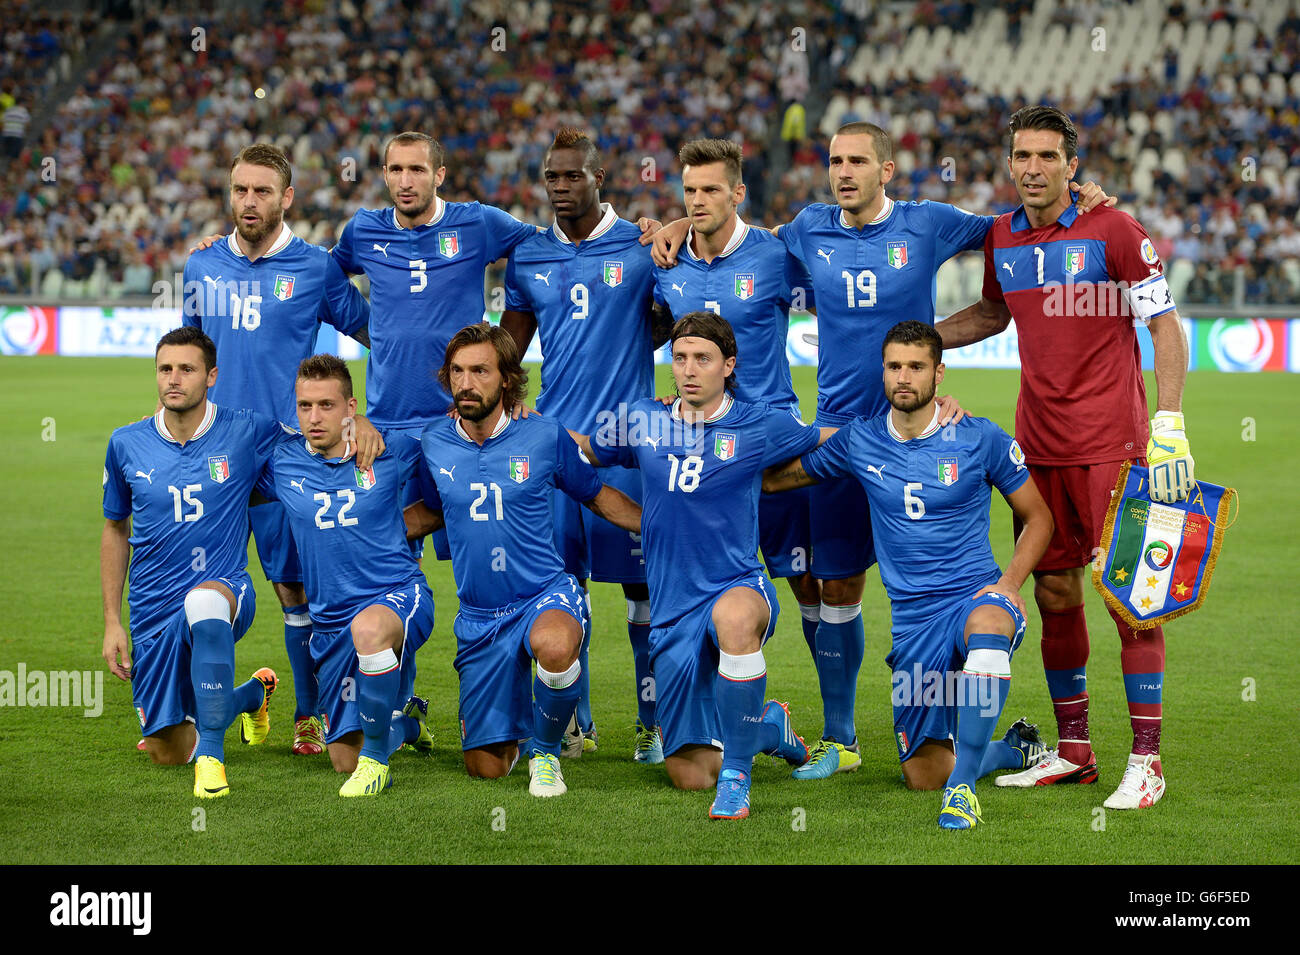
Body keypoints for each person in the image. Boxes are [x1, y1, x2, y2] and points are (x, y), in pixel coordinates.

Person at [653, 123, 1111, 782]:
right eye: (835, 160)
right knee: (833, 583)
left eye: (858, 161)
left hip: (916, 426)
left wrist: (1076, 200)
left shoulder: (931, 223)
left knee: (931, 579)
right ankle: (842, 737)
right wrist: (677, 219)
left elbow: (1014, 226)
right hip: (841, 433)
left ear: (887, 170)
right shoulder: (808, 227)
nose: (844, 171)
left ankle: (965, 695)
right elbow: (729, 227)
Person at [936, 105, 1192, 810]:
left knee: (1130, 602)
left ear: (1071, 165)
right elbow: (992, 314)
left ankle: (1148, 760)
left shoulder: (1112, 228)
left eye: (1049, 156)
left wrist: (1168, 420)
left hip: (1111, 443)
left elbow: (1164, 325)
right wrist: (924, 341)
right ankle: (1074, 750)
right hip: (1037, 448)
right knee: (1053, 594)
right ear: (1010, 162)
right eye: (1023, 155)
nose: (1035, 168)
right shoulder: (999, 238)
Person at [763, 321, 1054, 828]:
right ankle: (1012, 750)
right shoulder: (861, 441)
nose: (904, 377)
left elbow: (1039, 517)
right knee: (923, 773)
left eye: (916, 367)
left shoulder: (980, 437)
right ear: (883, 372)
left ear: (938, 373)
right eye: (895, 366)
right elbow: (781, 479)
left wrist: (1008, 585)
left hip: (976, 597)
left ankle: (962, 793)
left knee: (987, 635)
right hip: (915, 623)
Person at [571, 313, 824, 820]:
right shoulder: (643, 418)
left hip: (736, 583)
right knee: (688, 776)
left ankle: (737, 780)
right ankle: (769, 726)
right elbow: (586, 451)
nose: (689, 369)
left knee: (733, 623)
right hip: (672, 605)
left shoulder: (760, 421)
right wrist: (522, 427)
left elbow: (831, 441)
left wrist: (776, 483)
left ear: (728, 365)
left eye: (703, 359)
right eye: (680, 357)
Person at [183, 143, 378, 757]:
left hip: (287, 455)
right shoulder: (201, 267)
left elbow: (376, 332)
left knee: (296, 590)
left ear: (286, 197)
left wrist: (366, 412)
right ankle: (194, 708)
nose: (249, 201)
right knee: (194, 582)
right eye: (240, 189)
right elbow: (188, 353)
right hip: (211, 453)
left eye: (262, 191)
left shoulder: (316, 267)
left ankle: (307, 713)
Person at [404, 324, 643, 797]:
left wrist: (661, 526)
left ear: (507, 379)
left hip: (543, 594)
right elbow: (430, 512)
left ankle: (548, 753)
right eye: (457, 371)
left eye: (480, 371)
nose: (465, 383)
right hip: (478, 616)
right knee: (484, 768)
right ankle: (528, 726)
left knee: (555, 646)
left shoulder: (544, 435)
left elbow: (596, 496)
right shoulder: (433, 442)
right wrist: (360, 535)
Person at [500, 127, 671, 763]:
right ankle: (576, 724)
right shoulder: (528, 256)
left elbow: (673, 326)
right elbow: (508, 347)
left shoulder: (642, 245)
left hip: (627, 445)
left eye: (574, 176)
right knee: (560, 585)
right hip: (553, 447)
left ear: (601, 179)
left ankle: (652, 725)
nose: (562, 187)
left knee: (644, 590)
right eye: (552, 177)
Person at [649, 137, 823, 683]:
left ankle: (840, 733)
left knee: (809, 581)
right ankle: (688, 717)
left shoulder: (775, 256)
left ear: (738, 193)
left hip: (770, 439)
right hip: (698, 446)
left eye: (711, 190)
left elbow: (841, 310)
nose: (698, 201)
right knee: (689, 578)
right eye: (690, 191)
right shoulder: (666, 263)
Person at [101, 327, 284, 798]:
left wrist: (357, 425)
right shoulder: (126, 443)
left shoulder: (247, 430)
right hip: (151, 610)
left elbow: (313, 437)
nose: (174, 379)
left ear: (212, 376)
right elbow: (115, 530)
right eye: (165, 369)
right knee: (167, 752)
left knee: (203, 602)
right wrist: (111, 622)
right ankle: (250, 695)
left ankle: (213, 759)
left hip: (225, 590)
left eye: (187, 369)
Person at [254, 355, 434, 797]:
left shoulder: (391, 448)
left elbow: (459, 454)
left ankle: (377, 763)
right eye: (305, 406)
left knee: (369, 629)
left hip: (396, 595)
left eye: (327, 405)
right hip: (331, 622)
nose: (314, 418)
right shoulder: (281, 462)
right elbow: (217, 465)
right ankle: (407, 725)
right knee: (341, 760)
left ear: (350, 407)